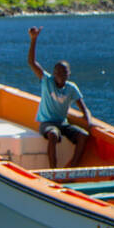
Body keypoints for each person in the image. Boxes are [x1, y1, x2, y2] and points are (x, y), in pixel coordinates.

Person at [26, 25, 92, 168]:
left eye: (64, 73)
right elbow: (32, 62)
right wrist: (33, 40)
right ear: (54, 73)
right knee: (54, 134)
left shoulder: (71, 88)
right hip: (47, 124)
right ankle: (53, 170)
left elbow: (83, 107)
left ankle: (73, 167)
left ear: (69, 75)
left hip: (63, 123)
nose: (61, 76)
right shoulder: (47, 81)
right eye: (58, 73)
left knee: (83, 135)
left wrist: (88, 119)